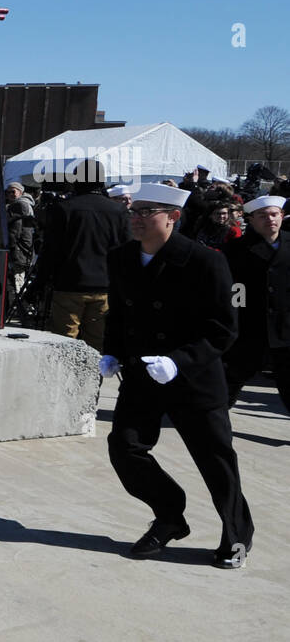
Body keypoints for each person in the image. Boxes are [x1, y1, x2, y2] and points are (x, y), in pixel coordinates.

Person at [100, 183, 253, 569]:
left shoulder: (205, 261)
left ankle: (236, 538)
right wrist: (113, 351)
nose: (135, 218)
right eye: (133, 211)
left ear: (173, 217)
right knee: (125, 448)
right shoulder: (121, 257)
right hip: (142, 375)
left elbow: (223, 329)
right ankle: (169, 515)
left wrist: (179, 362)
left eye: (146, 212)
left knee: (216, 461)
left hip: (193, 379)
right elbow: (118, 313)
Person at [38, 159, 131, 352]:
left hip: (69, 285)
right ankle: (92, 380)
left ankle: (64, 381)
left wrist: (41, 281)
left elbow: (50, 251)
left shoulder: (64, 208)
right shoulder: (118, 211)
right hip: (105, 286)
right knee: (96, 344)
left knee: (63, 343)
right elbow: (127, 250)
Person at [223, 195, 290, 412]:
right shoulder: (236, 249)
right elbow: (234, 289)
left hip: (285, 328)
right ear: (251, 220)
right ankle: (213, 421)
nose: (269, 219)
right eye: (262, 216)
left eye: (274, 214)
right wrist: (236, 316)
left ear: (282, 216)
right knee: (231, 381)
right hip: (250, 327)